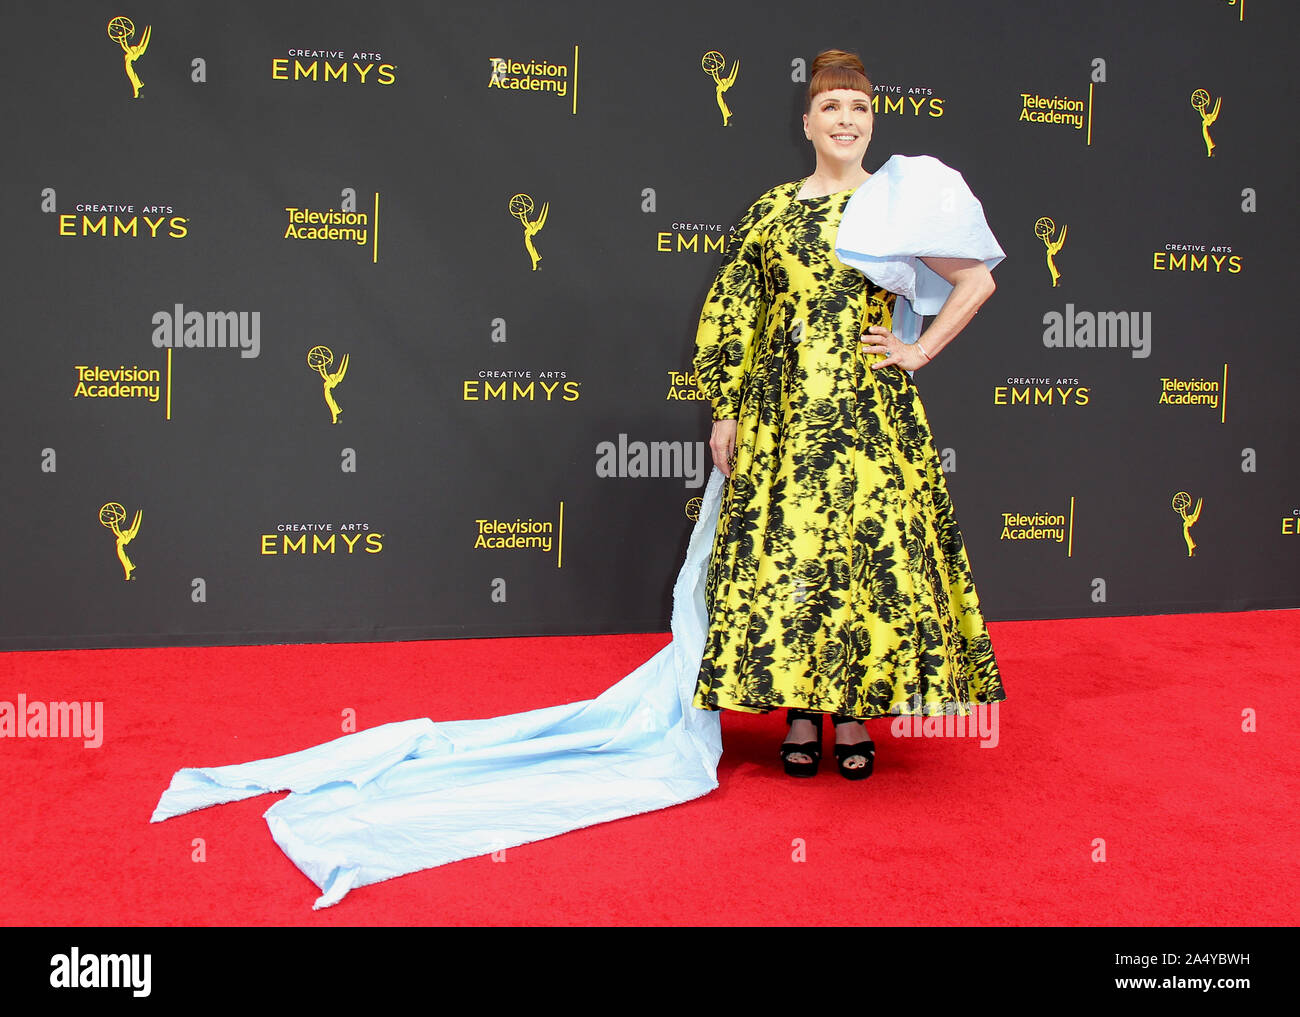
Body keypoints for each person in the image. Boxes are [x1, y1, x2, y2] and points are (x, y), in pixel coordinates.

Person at [691, 49, 1007, 779]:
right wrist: (726, 409)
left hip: (869, 413)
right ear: (807, 122)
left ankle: (855, 713)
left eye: (858, 107)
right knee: (795, 558)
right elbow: (737, 313)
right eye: (831, 107)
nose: (845, 119)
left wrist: (918, 350)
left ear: (872, 122)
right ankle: (802, 711)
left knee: (865, 559)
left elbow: (977, 280)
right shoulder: (771, 210)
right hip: (782, 413)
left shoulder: (895, 204)